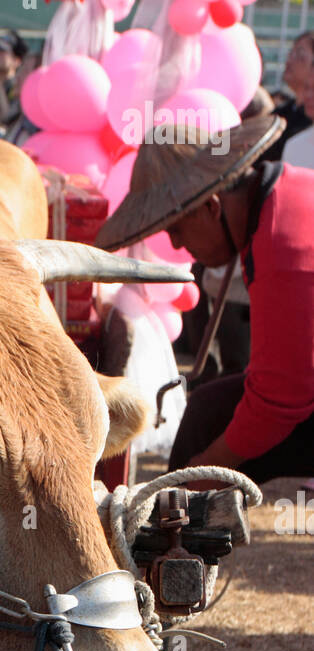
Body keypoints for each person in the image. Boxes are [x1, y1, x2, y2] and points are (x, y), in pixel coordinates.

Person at [97, 114, 314, 487]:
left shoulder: (281, 242)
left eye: (177, 229)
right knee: (208, 410)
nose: (179, 246)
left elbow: (281, 397)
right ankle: (173, 532)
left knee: (212, 433)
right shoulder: (282, 191)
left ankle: (175, 530)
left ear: (212, 207)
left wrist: (204, 469)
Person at [271, 31, 313, 158]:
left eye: (300, 55)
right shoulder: (278, 115)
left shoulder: (307, 122)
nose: (289, 60)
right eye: (291, 53)